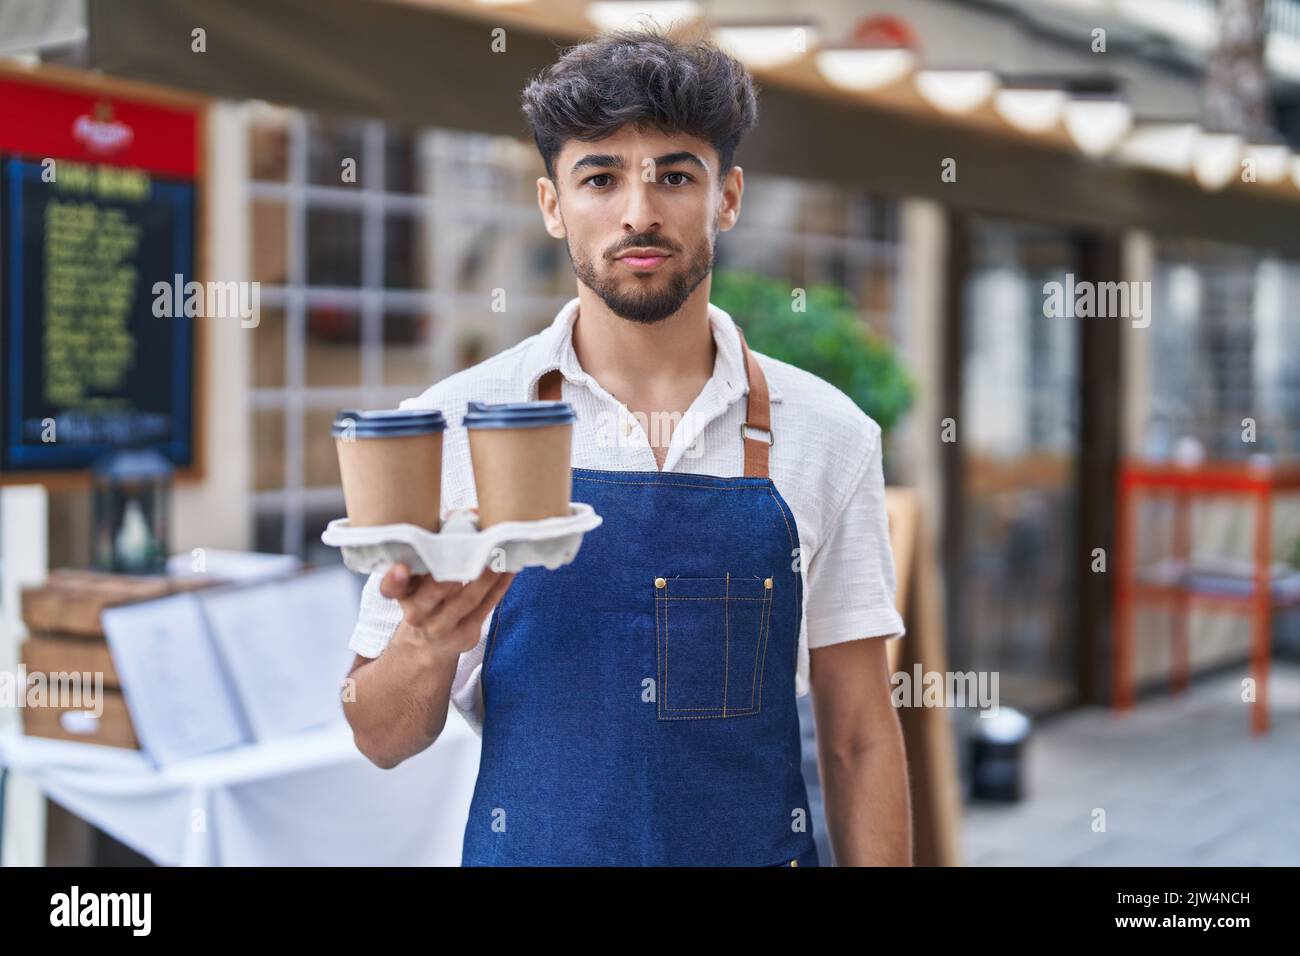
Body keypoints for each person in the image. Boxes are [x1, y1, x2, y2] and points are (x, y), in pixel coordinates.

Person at [342, 26, 911, 867]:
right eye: (600, 177)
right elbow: (379, 738)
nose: (638, 211)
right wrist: (426, 643)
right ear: (551, 204)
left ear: (728, 197)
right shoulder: (455, 421)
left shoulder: (828, 435)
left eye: (675, 175)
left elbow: (861, 736)